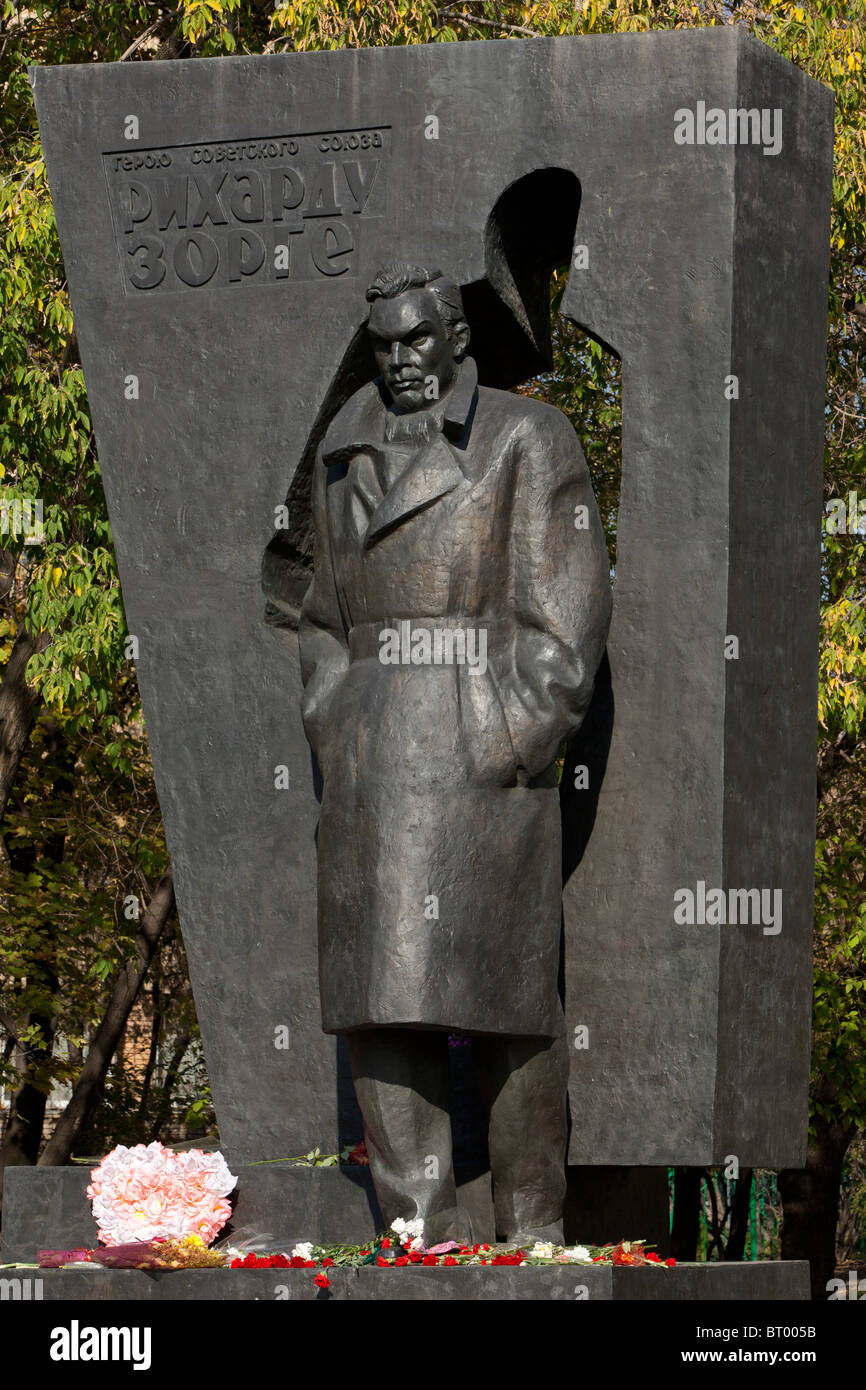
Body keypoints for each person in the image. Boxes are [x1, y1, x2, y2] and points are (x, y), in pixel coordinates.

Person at [298, 261, 611, 1244]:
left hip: (480, 753)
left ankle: (531, 1232)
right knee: (383, 1003)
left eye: (417, 339)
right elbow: (320, 615)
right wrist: (335, 719)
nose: (398, 360)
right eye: (383, 343)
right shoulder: (343, 450)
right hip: (373, 759)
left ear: (456, 339)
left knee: (508, 1001)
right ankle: (416, 1237)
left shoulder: (524, 437)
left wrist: (510, 736)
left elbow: (566, 614)